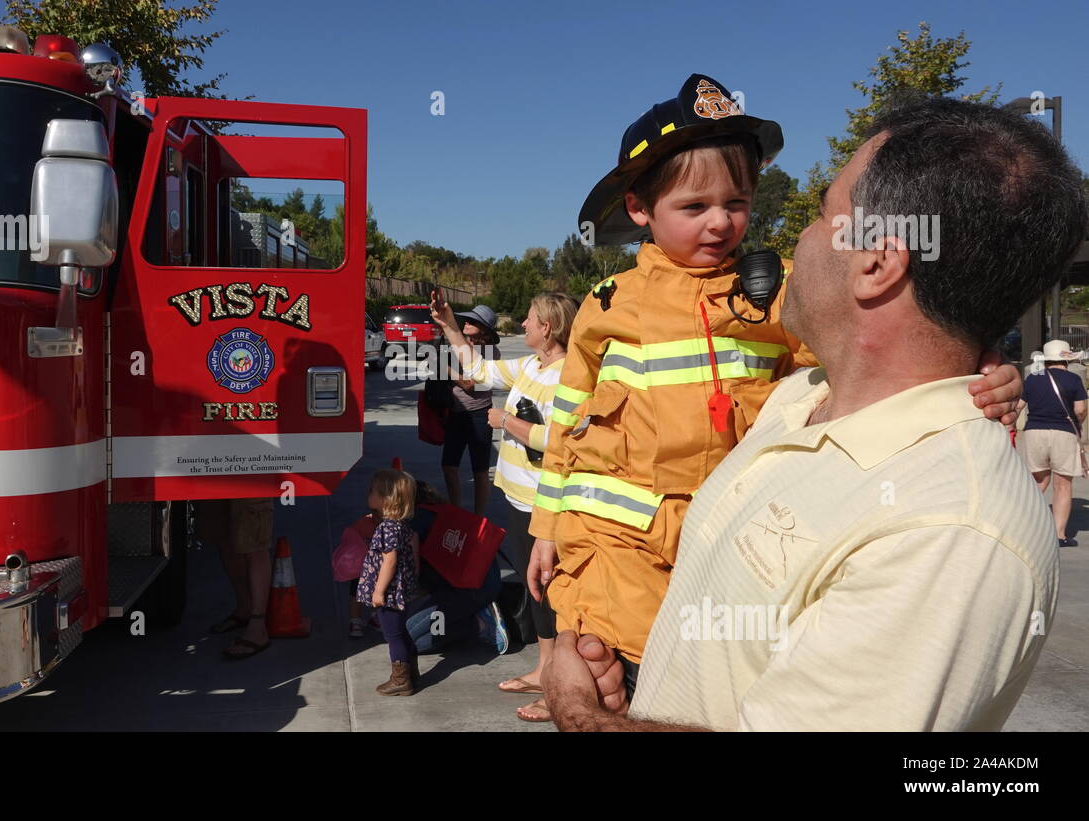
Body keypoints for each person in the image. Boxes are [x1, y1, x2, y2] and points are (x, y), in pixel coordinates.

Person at [543, 95, 1087, 731]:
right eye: (694, 206)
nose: (789, 237)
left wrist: (577, 709)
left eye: (824, 213)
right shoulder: (802, 397)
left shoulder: (950, 536)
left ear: (878, 262)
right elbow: (574, 425)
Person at [431, 290, 578, 722]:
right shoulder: (531, 365)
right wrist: (448, 327)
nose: (524, 326)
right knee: (536, 591)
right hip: (518, 497)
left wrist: (506, 422)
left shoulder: (569, 375)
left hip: (544, 502)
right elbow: (475, 369)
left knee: (551, 591)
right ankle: (543, 668)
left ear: (547, 328)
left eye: (530, 320)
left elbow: (560, 442)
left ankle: (561, 687)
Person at [357, 468, 421, 696]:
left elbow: (390, 561)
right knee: (401, 632)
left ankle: (400, 680)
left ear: (386, 499)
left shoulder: (387, 528)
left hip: (391, 592)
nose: (368, 493)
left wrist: (378, 591)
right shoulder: (402, 525)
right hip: (401, 589)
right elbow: (414, 551)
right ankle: (411, 673)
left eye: (373, 491)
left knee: (392, 635)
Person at [1018, 339, 1088, 546]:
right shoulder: (1073, 380)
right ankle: (1059, 535)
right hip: (1063, 433)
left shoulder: (1033, 378)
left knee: (1038, 482)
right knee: (1062, 485)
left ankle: (1023, 528)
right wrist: (1078, 424)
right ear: (1065, 359)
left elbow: (1019, 405)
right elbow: (1080, 410)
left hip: (1034, 433)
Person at [439, 304, 502, 518]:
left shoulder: (491, 352)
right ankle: (456, 513)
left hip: (479, 416)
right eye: (466, 320)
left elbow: (470, 385)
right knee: (448, 466)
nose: (466, 323)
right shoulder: (461, 347)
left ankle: (478, 518)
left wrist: (442, 367)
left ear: (484, 329)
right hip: (457, 413)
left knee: (480, 470)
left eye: (472, 321)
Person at [195, 498, 274, 659]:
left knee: (254, 542)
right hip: (212, 477)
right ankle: (244, 609)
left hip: (248, 477)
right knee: (224, 538)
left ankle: (258, 628)